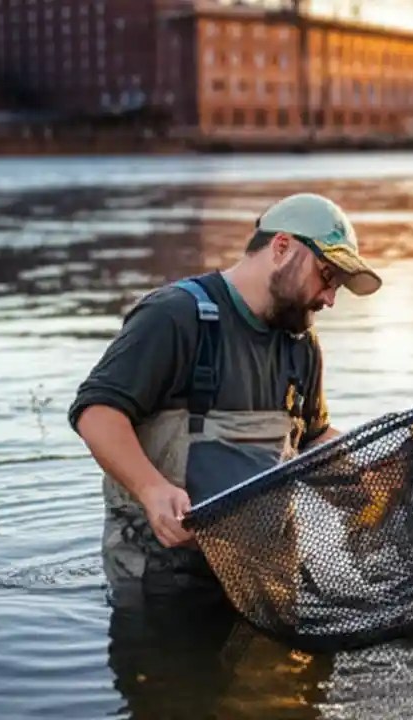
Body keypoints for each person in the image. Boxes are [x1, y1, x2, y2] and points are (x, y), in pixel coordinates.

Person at [68, 192, 383, 606]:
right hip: (165, 580)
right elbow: (97, 413)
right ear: (282, 247)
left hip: (263, 574)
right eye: (326, 276)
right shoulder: (174, 315)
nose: (329, 298)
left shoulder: (302, 345)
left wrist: (369, 481)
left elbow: (311, 438)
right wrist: (151, 489)